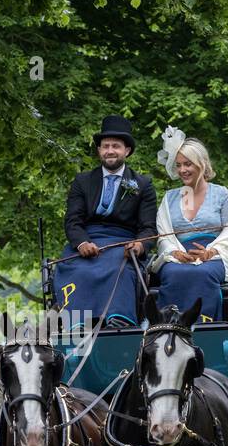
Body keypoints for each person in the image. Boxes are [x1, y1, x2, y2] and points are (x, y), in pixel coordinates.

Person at [55, 115, 158, 327]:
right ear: (99, 150)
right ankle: (78, 323)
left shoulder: (143, 184)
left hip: (122, 245)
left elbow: (148, 227)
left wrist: (139, 245)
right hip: (86, 242)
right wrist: (82, 243)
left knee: (119, 269)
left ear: (126, 150)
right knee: (78, 269)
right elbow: (72, 220)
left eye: (116, 146)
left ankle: (119, 319)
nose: (110, 151)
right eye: (105, 146)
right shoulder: (82, 181)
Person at [151, 132, 228, 322]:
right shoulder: (170, 197)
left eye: (187, 164)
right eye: (178, 165)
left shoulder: (222, 194)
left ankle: (205, 326)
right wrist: (175, 252)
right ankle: (169, 326)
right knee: (173, 273)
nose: (182, 170)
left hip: (215, 256)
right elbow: (164, 234)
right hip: (178, 257)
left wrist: (211, 251)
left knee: (203, 272)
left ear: (201, 164)